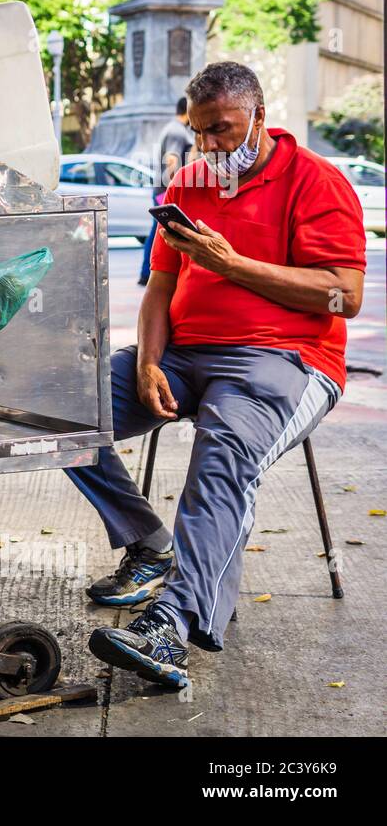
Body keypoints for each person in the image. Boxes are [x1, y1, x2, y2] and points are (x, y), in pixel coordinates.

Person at [66, 61, 365, 688]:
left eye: (223, 130)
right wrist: (148, 359)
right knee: (57, 405)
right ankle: (148, 543)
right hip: (181, 357)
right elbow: (160, 289)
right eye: (200, 132)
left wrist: (232, 265)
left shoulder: (317, 181)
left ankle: (172, 626)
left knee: (223, 451)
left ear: (259, 114)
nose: (210, 146)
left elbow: (343, 296)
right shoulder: (188, 183)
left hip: (284, 360)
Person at [139, 96, 194, 285]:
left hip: (162, 188)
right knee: (160, 233)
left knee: (157, 231)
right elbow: (172, 160)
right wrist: (178, 188)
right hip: (167, 189)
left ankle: (146, 272)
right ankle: (148, 273)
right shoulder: (177, 132)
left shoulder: (172, 128)